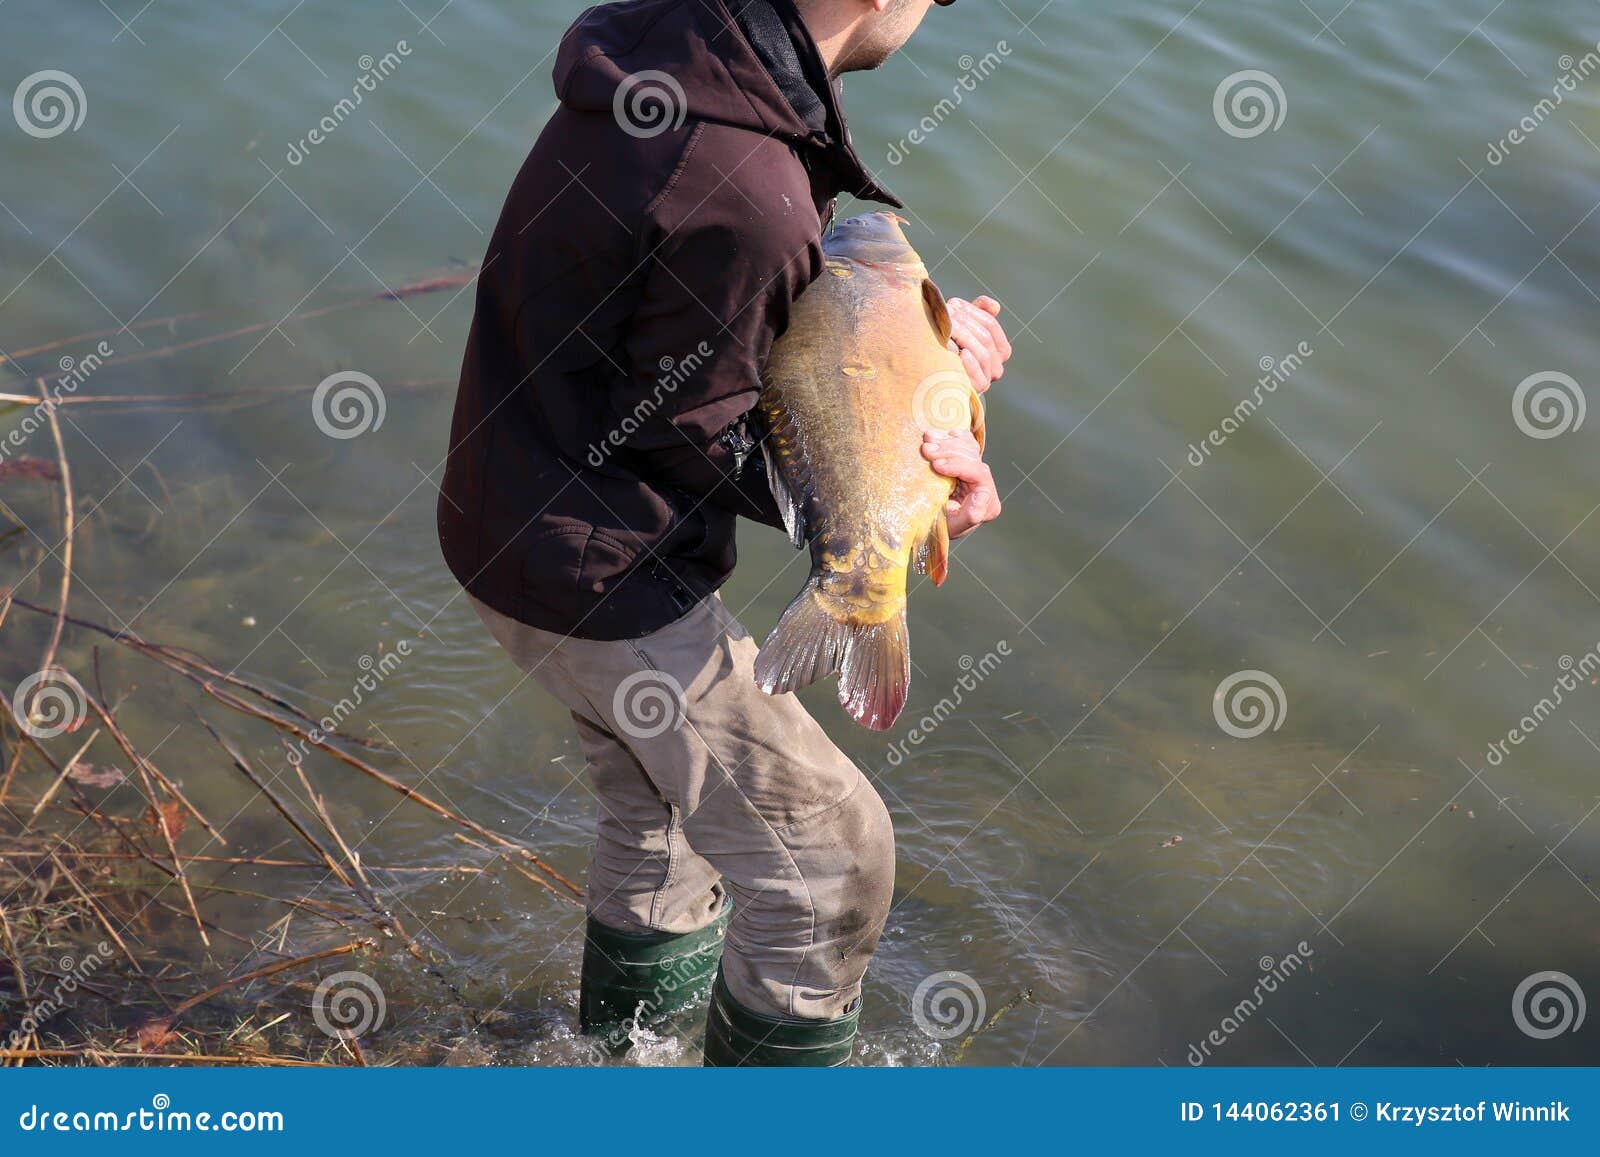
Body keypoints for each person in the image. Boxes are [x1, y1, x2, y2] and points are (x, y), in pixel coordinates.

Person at [437, 0, 1010, 1066]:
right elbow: (688, 429)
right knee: (833, 860)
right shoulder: (744, 187)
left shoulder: (680, 54)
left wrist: (906, 364)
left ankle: (617, 1061)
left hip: (507, 512)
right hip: (597, 572)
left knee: (658, 815)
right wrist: (899, 492)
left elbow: (698, 343)